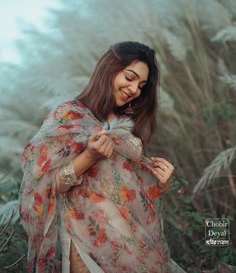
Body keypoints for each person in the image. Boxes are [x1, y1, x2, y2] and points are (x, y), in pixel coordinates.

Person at [19, 41, 185, 273]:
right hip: (88, 242)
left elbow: (127, 191)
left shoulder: (125, 124)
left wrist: (161, 184)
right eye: (129, 77)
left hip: (135, 243)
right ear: (109, 69)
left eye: (141, 85)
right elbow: (53, 184)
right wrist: (89, 156)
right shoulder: (69, 115)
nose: (134, 89)